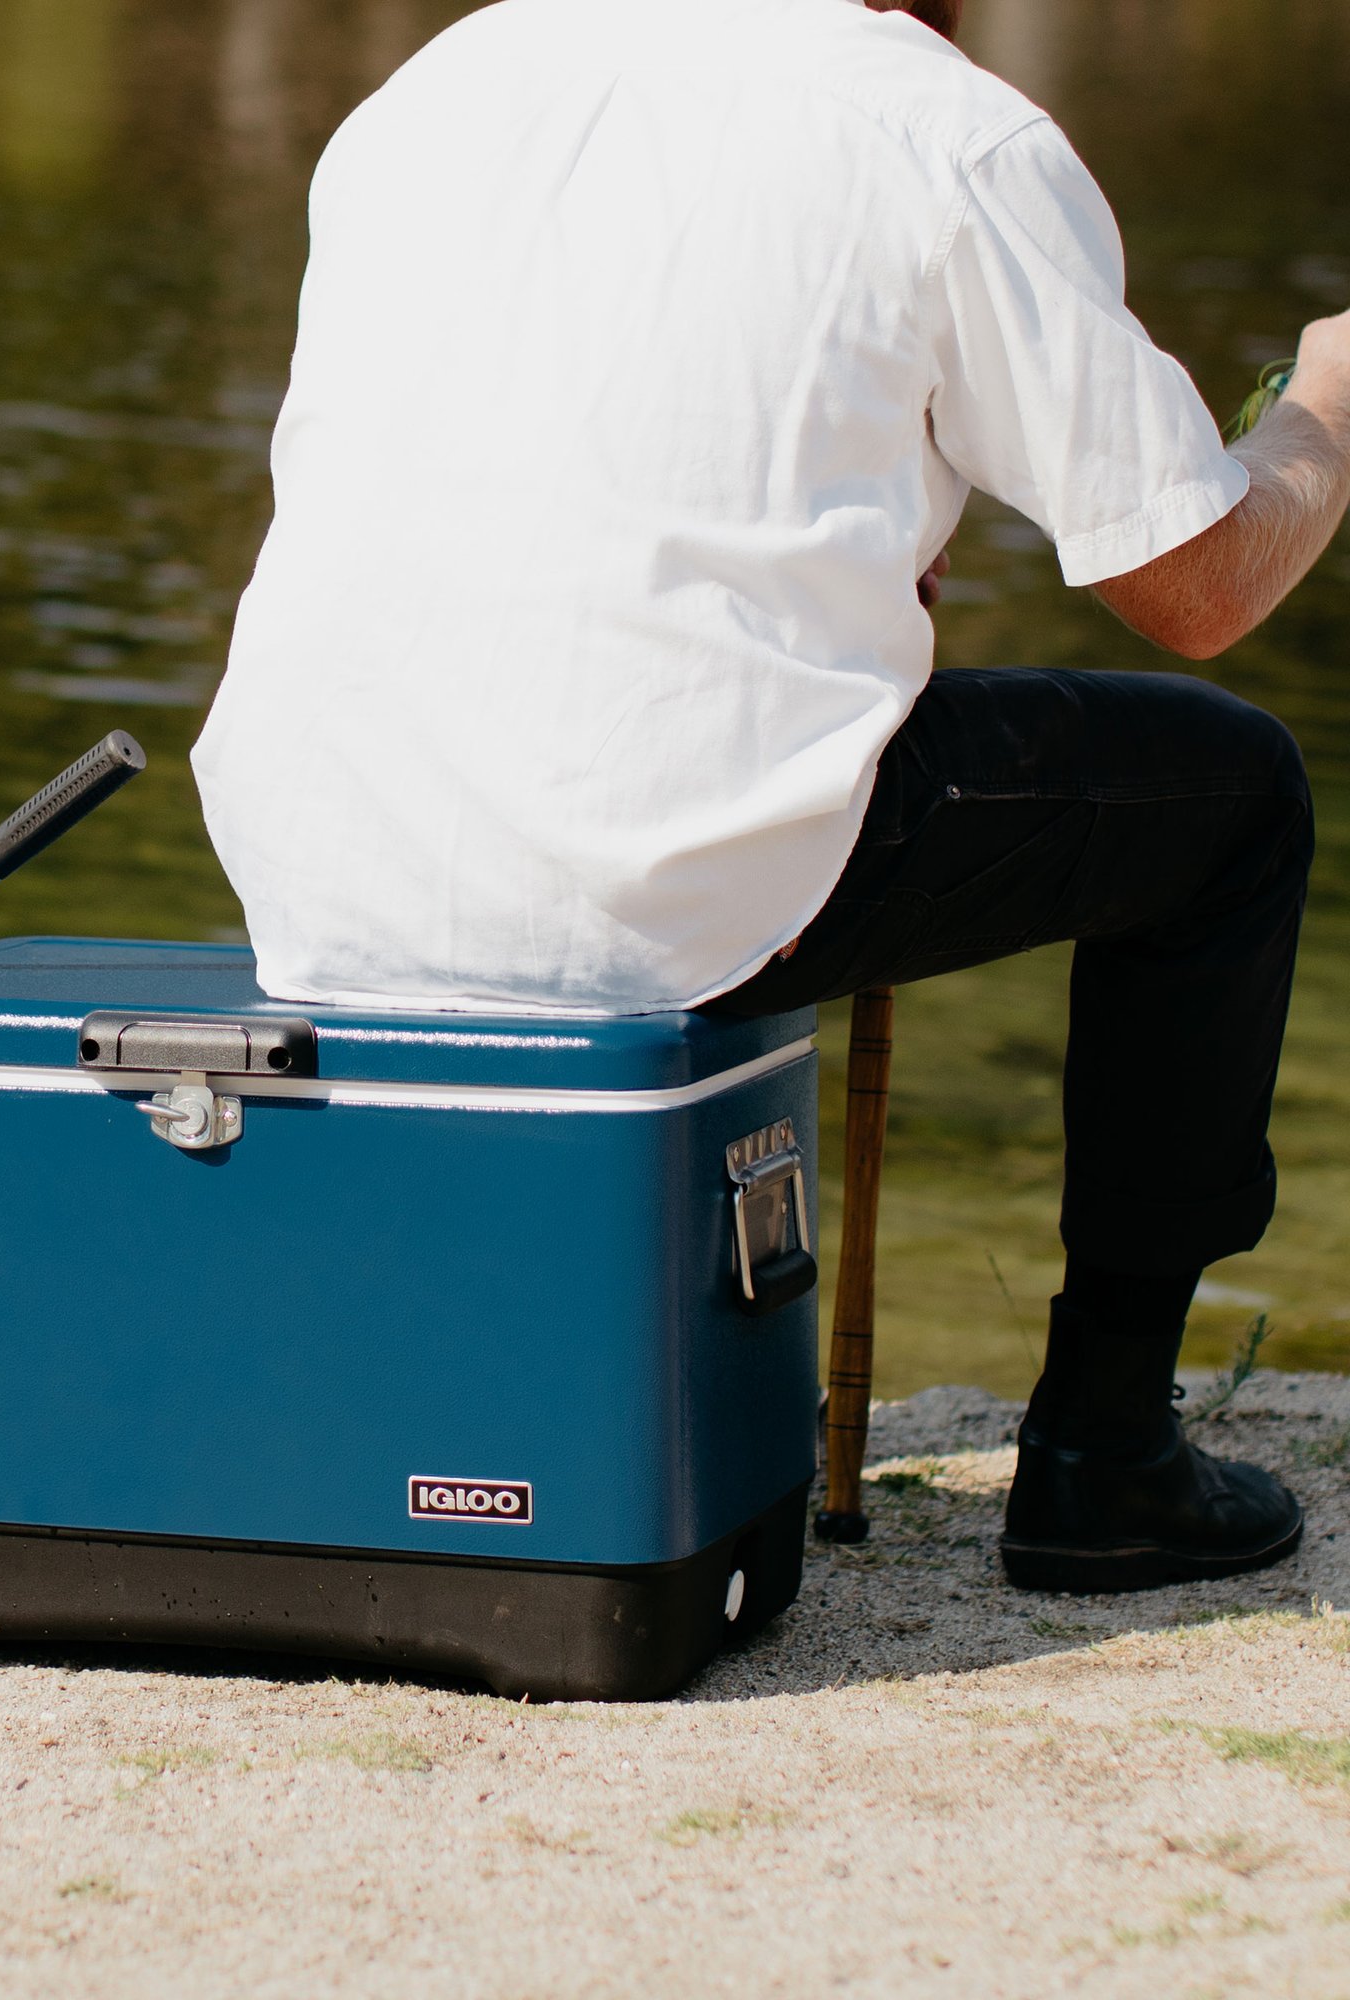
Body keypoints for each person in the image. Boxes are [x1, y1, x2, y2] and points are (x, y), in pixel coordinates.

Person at [191, 0, 1350, 1592]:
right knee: (1232, 800)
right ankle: (1107, 1454)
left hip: (314, 857)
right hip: (642, 875)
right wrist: (1323, 418)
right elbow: (1197, 585)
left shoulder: (441, 79)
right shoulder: (952, 133)